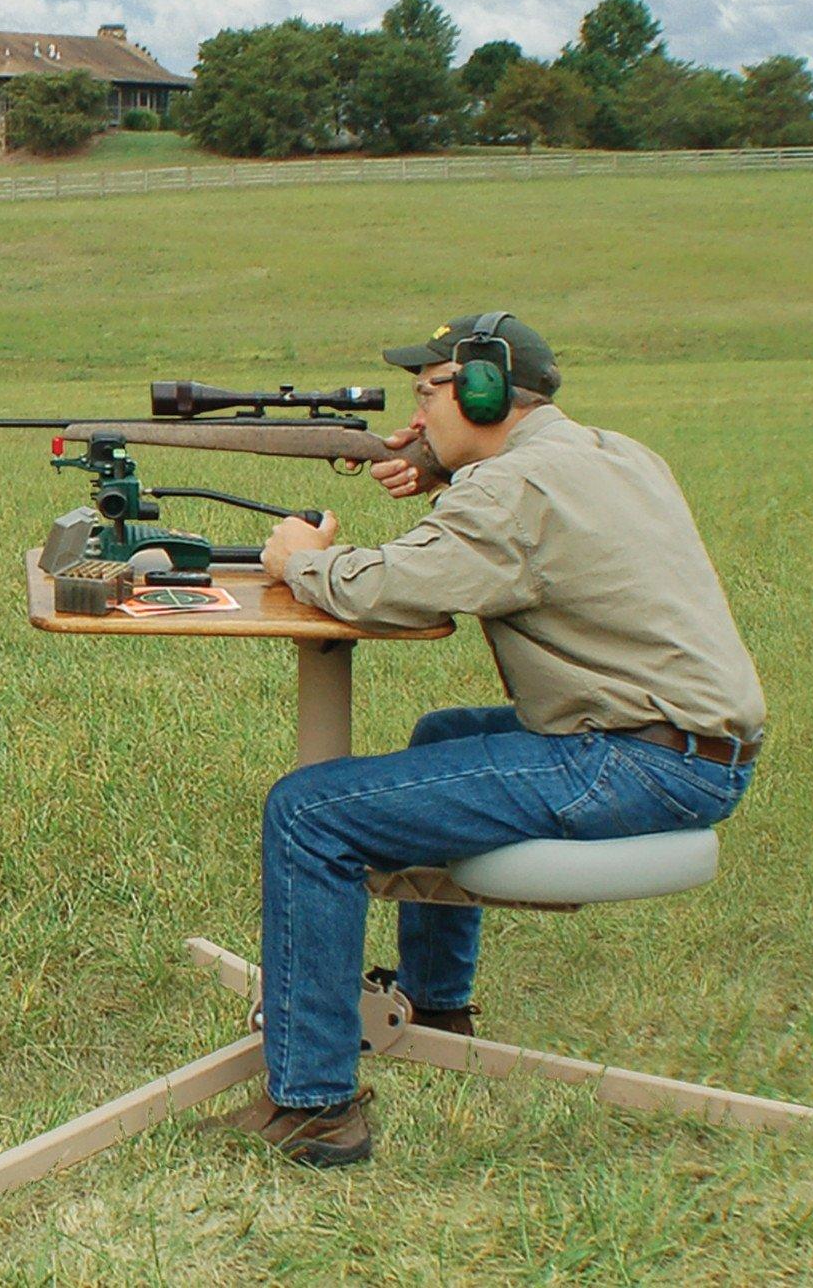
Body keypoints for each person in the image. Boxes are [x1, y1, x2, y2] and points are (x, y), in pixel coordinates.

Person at [203, 312, 766, 1166]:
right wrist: (442, 474)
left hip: (635, 761)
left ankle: (316, 1106)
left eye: (427, 393)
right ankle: (436, 1008)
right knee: (443, 735)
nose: (415, 416)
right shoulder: (612, 452)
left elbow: (395, 589)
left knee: (308, 812)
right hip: (689, 748)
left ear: (484, 391)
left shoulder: (512, 491)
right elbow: (523, 533)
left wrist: (298, 559)